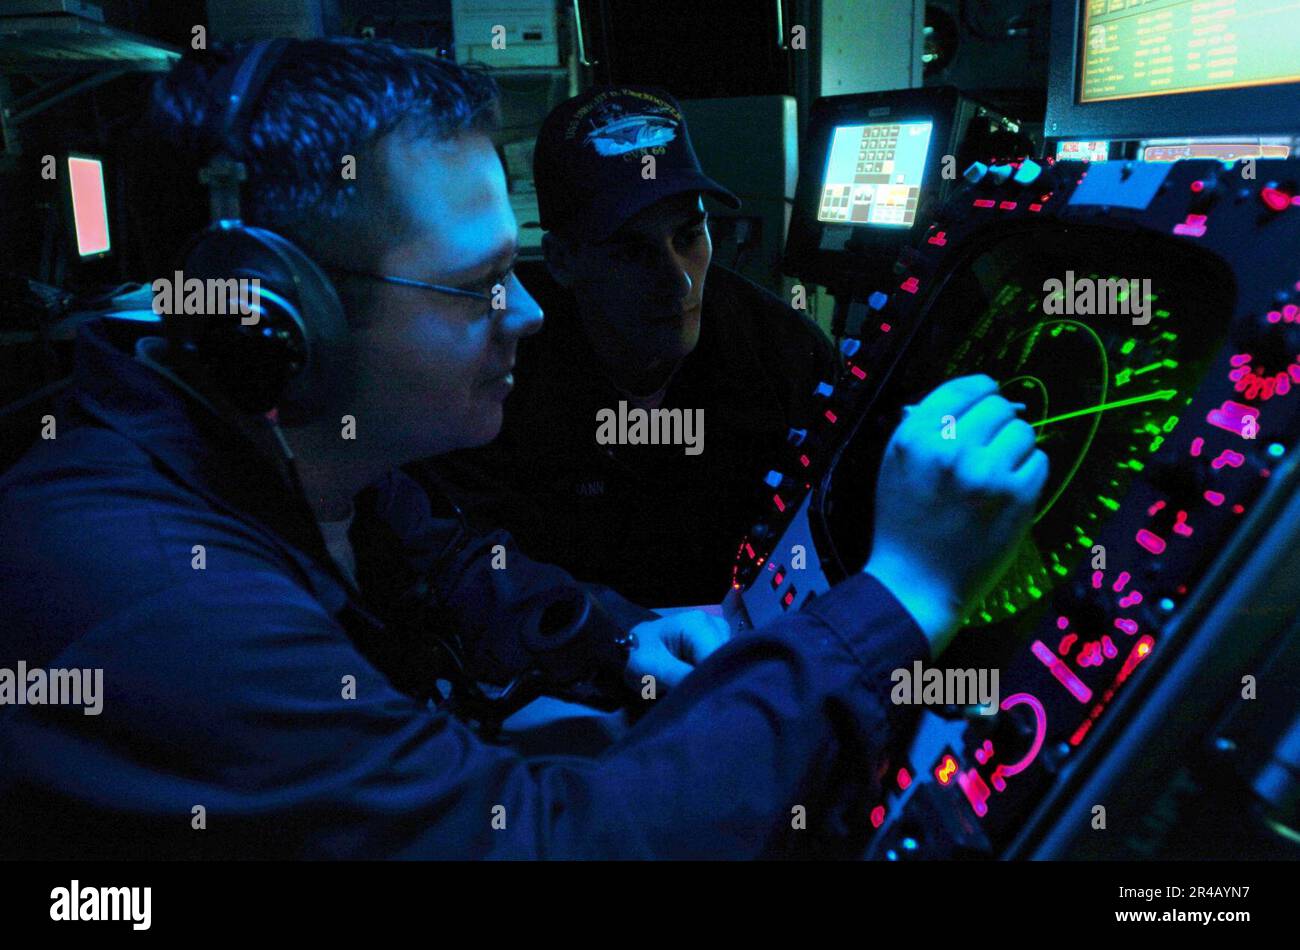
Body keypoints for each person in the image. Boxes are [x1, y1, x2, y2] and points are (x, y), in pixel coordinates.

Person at [0, 38, 1047, 859]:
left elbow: (451, 562)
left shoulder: (299, 460)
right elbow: (546, 843)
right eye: (475, 283)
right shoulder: (157, 597)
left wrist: (622, 638)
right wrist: (902, 594)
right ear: (279, 315)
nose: (528, 315)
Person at [410, 86, 838, 607]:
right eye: (631, 252)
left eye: (689, 235)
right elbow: (458, 558)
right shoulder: (498, 369)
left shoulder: (782, 354)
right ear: (563, 260)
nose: (678, 283)